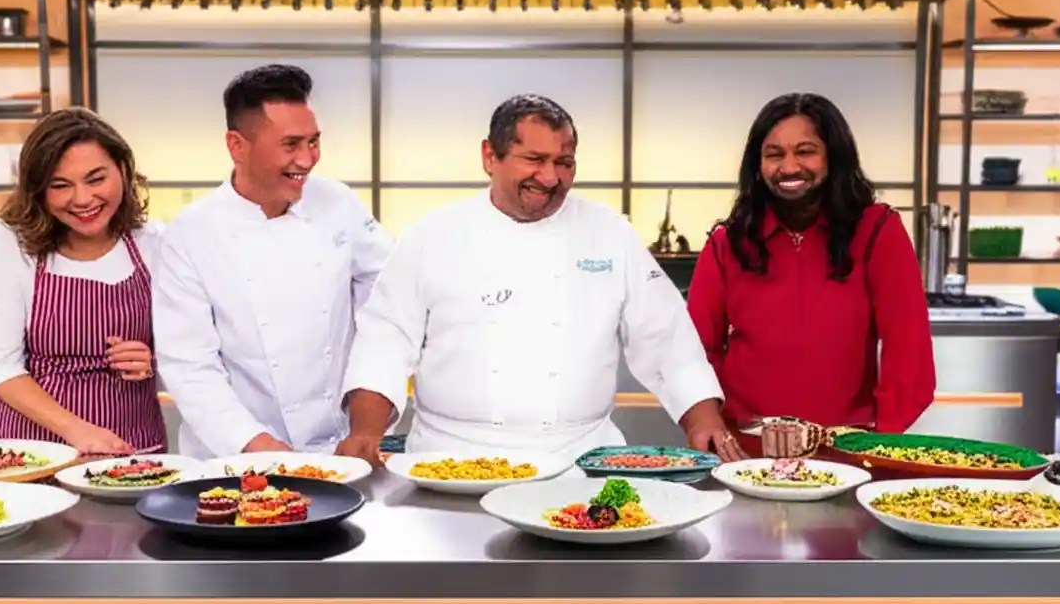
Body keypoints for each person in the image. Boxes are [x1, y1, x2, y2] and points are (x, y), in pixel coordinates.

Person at [335, 94, 742, 465]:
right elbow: (386, 338)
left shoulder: (609, 232)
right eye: (534, 159)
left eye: (563, 163)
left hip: (580, 460)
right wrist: (365, 430)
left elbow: (665, 335)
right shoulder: (432, 236)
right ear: (490, 157)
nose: (550, 177)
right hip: (450, 460)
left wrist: (702, 419)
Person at [153, 64, 393, 459]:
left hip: (334, 451)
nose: (307, 158)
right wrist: (262, 449)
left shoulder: (338, 202)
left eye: (314, 142)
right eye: (290, 144)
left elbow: (388, 303)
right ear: (236, 145)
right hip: (232, 458)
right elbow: (189, 366)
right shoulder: (190, 234)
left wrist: (366, 423)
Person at [687, 92, 935, 456]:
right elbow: (696, 352)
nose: (789, 168)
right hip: (746, 454)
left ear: (834, 158)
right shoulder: (726, 244)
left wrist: (880, 441)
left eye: (805, 151)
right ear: (757, 166)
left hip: (851, 452)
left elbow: (907, 348)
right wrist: (710, 422)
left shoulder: (878, 231)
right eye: (774, 154)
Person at [0, 107, 165, 455]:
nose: (83, 199)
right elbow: (0, 367)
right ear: (38, 191)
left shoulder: (155, 243)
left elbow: (192, 354)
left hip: (129, 444)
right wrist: (77, 431)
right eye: (60, 185)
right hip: (30, 452)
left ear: (123, 169)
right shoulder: (9, 243)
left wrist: (153, 360)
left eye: (96, 179)